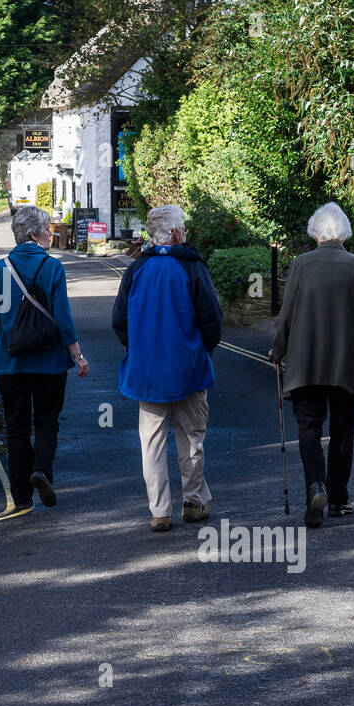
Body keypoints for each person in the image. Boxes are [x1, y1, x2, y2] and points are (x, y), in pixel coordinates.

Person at [270, 201, 354, 528]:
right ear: (344, 232)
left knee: (308, 429)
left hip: (305, 366)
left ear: (316, 233)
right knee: (342, 431)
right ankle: (337, 499)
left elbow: (286, 316)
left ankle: (315, 487)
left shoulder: (301, 265)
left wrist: (277, 350)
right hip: (344, 368)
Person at [112, 206, 223, 531]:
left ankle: (160, 511)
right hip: (187, 370)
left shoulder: (136, 270)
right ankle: (193, 502)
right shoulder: (191, 268)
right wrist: (204, 350)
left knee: (152, 443)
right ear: (175, 234)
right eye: (184, 227)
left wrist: (139, 351)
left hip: (147, 374)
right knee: (191, 439)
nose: (186, 232)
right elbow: (212, 319)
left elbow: (119, 321)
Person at [0, 205, 90, 511]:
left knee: (15, 427)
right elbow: (63, 319)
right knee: (46, 420)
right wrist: (78, 355)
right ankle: (41, 470)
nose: (51, 232)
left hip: (10, 362)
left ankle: (21, 497)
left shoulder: (1, 268)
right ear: (33, 234)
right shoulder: (53, 268)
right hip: (49, 362)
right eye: (47, 228)